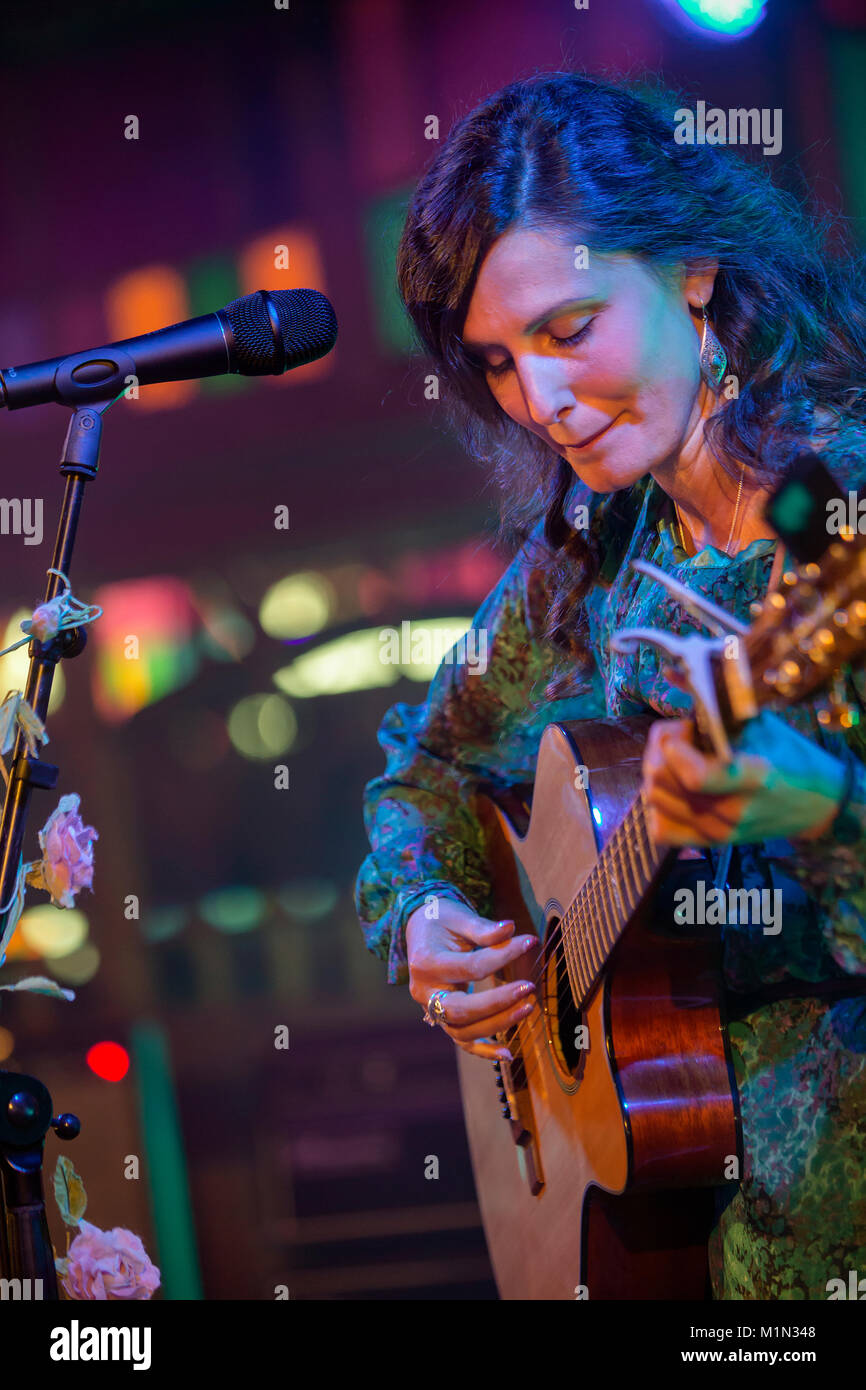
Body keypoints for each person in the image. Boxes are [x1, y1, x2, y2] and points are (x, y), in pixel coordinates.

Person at [354, 70, 866, 1300]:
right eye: (495, 362)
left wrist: (819, 812)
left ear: (692, 267)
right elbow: (422, 769)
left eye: (568, 330)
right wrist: (425, 916)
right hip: (700, 1250)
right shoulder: (596, 547)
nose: (539, 404)